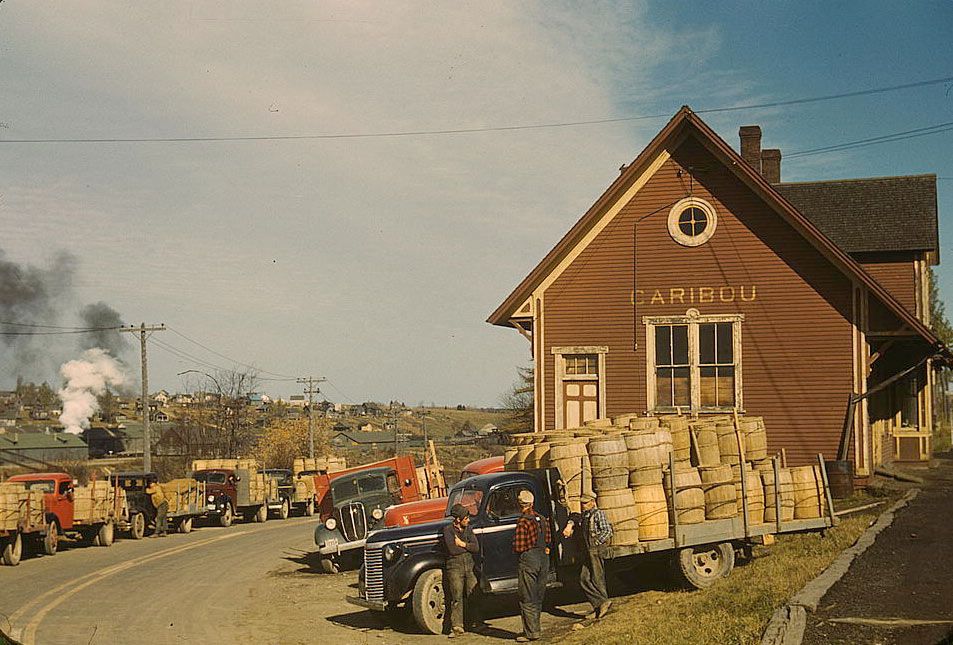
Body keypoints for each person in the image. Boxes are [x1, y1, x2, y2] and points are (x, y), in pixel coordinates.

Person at [562, 493, 613, 620]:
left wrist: (596, 542)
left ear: (593, 502)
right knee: (584, 579)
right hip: (587, 551)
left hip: (595, 550)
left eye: (585, 503)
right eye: (582, 503)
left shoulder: (598, 514)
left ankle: (602, 606)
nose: (583, 505)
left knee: (597, 578)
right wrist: (570, 525)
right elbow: (574, 516)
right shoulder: (585, 516)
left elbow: (607, 531)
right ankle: (600, 604)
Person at [512, 489, 551, 642]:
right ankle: (535, 628)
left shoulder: (523, 521)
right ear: (532, 503)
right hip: (543, 558)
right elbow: (548, 539)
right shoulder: (542, 519)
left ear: (520, 504)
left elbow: (519, 546)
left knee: (527, 596)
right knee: (538, 596)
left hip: (529, 558)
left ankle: (531, 632)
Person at [443, 503, 481, 638]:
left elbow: (476, 547)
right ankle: (457, 626)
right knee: (456, 596)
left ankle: (476, 622)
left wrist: (462, 544)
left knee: (473, 593)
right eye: (466, 518)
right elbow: (452, 549)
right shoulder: (448, 530)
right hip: (455, 566)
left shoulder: (468, 529)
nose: (468, 520)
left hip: (469, 565)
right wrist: (467, 547)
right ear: (458, 519)